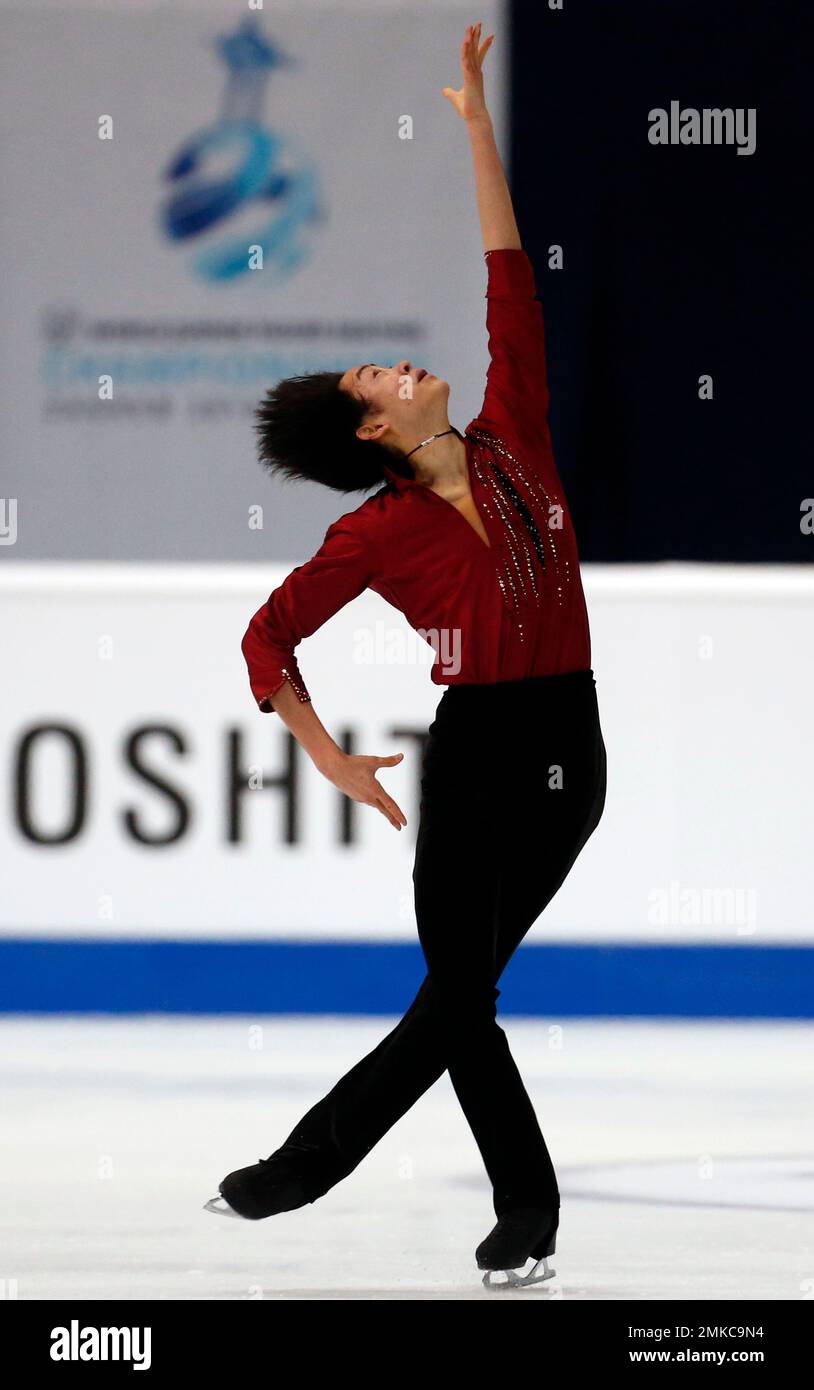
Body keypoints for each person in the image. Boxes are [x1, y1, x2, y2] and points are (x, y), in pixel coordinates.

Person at [205, 22, 607, 1289]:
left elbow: (509, 278)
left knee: (455, 1000)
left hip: (565, 754)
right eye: (379, 372)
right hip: (474, 755)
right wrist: (327, 756)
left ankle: (302, 1174)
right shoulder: (368, 535)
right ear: (375, 427)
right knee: (460, 1001)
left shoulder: (515, 434)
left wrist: (477, 127)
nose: (403, 362)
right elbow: (268, 633)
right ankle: (518, 1218)